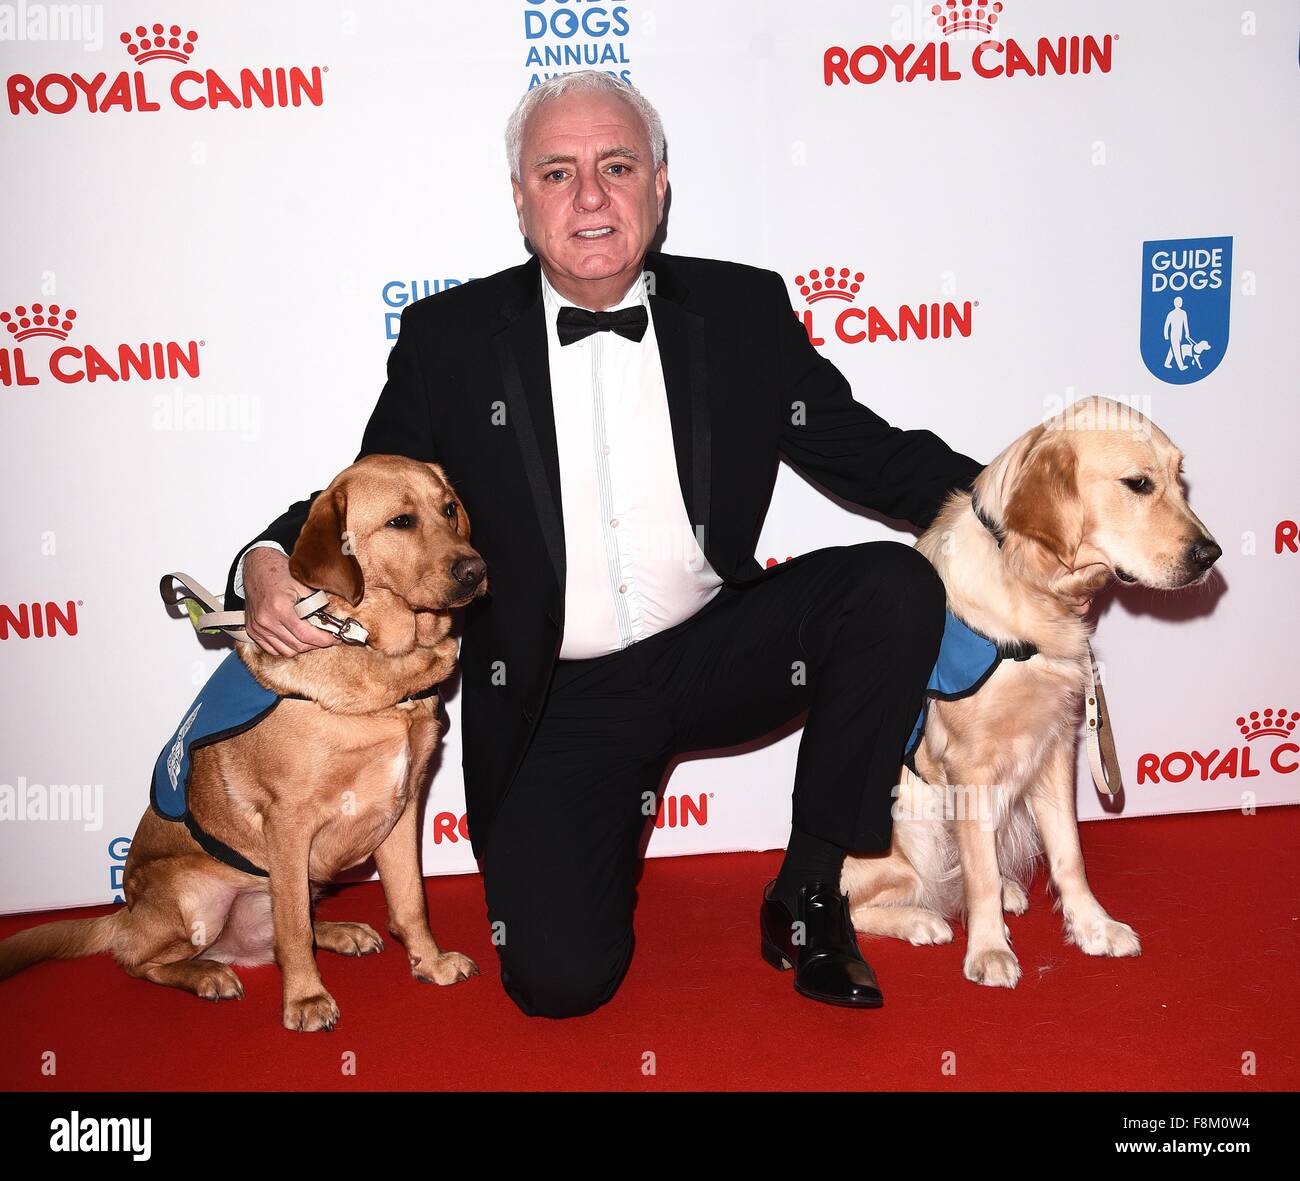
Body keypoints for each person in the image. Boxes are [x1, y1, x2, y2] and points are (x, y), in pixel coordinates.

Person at [228, 70, 1087, 1018]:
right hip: (557, 694)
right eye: (557, 173)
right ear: (520, 198)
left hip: (714, 648)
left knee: (890, 586)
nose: (591, 196)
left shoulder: (742, 311)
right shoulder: (451, 340)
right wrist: (264, 560)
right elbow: (366, 484)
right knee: (558, 983)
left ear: (660, 183)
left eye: (618, 166)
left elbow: (872, 456)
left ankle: (809, 893)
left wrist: (1040, 506)